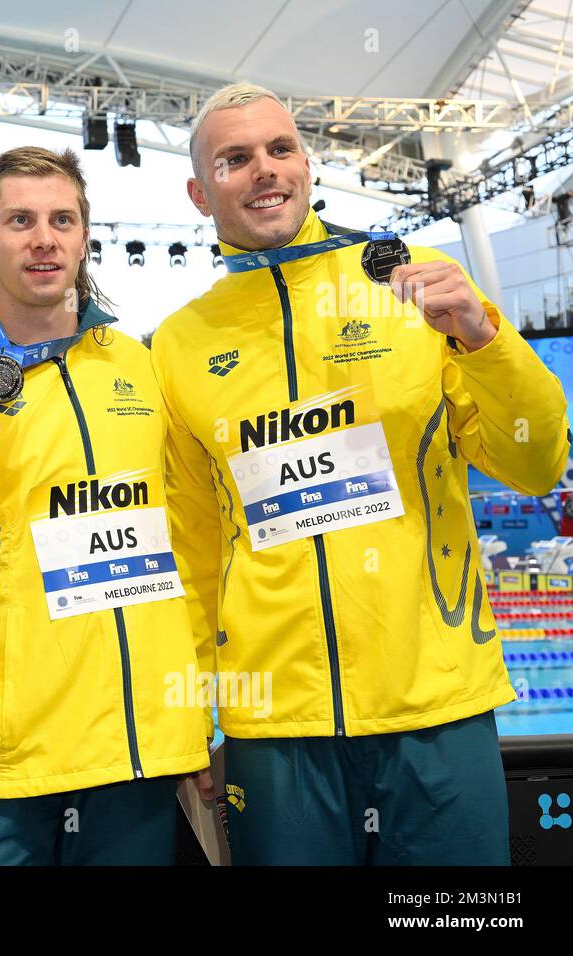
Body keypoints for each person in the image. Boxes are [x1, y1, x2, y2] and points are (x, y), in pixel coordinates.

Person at [152, 83, 571, 865]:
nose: (263, 171)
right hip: (276, 727)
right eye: (234, 159)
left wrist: (484, 339)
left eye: (280, 150)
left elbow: (535, 461)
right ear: (199, 193)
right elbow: (191, 549)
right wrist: (198, 718)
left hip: (436, 703)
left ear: (306, 163)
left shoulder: (419, 285)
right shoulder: (180, 343)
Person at [0, 146, 209, 866]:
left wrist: (198, 706)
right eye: (20, 220)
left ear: (84, 237)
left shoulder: (143, 370)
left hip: (136, 756)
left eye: (62, 220)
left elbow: (195, 544)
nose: (44, 238)